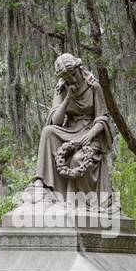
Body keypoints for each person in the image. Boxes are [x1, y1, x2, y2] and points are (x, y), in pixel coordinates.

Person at [31, 53, 115, 205]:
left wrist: (90, 135)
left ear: (79, 68)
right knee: (48, 132)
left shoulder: (93, 86)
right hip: (69, 131)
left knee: (77, 160)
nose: (73, 79)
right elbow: (55, 121)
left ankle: (82, 201)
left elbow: (102, 118)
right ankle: (40, 182)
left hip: (90, 132)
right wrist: (68, 96)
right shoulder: (61, 89)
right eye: (68, 77)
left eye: (74, 74)